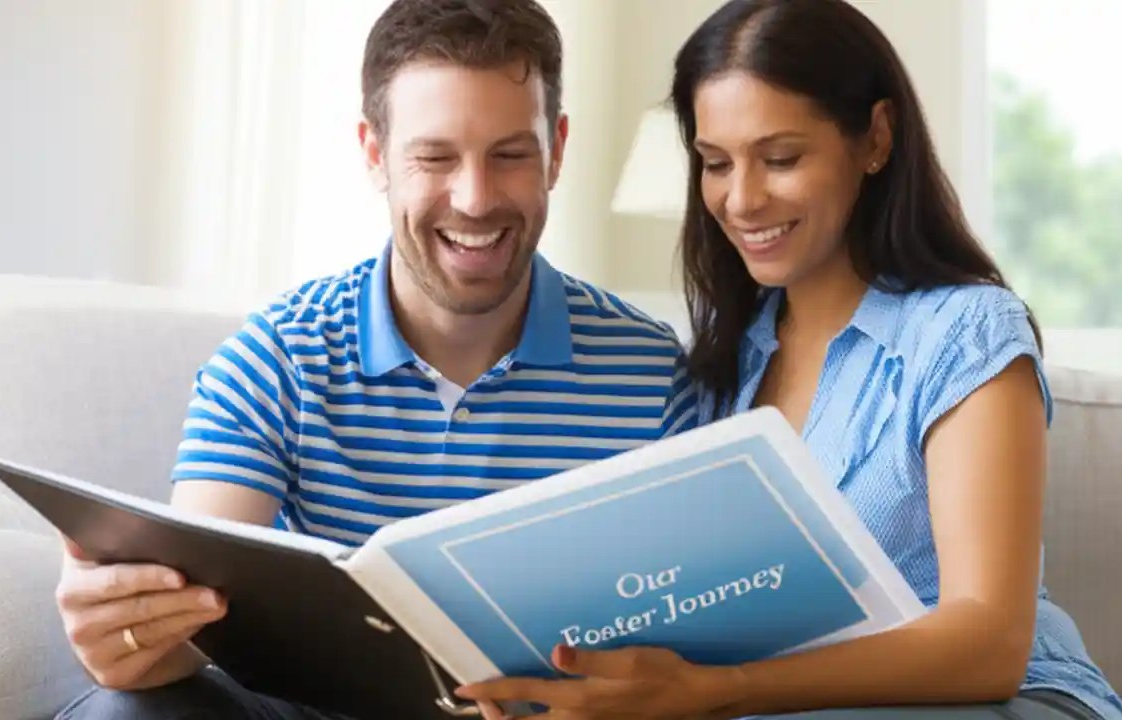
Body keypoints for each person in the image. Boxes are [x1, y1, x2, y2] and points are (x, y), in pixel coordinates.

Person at [453, 1, 1122, 719]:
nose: (741, 200)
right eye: (715, 163)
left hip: (1008, 700)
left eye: (780, 158)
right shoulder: (724, 365)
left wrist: (719, 691)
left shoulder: (964, 333)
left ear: (874, 138)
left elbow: (988, 643)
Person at [52, 1, 697, 718]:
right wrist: (131, 639)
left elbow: (693, 635)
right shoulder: (276, 359)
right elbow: (192, 623)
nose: (475, 198)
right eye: (434, 157)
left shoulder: (654, 375)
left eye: (510, 154)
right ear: (373, 154)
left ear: (557, 152)